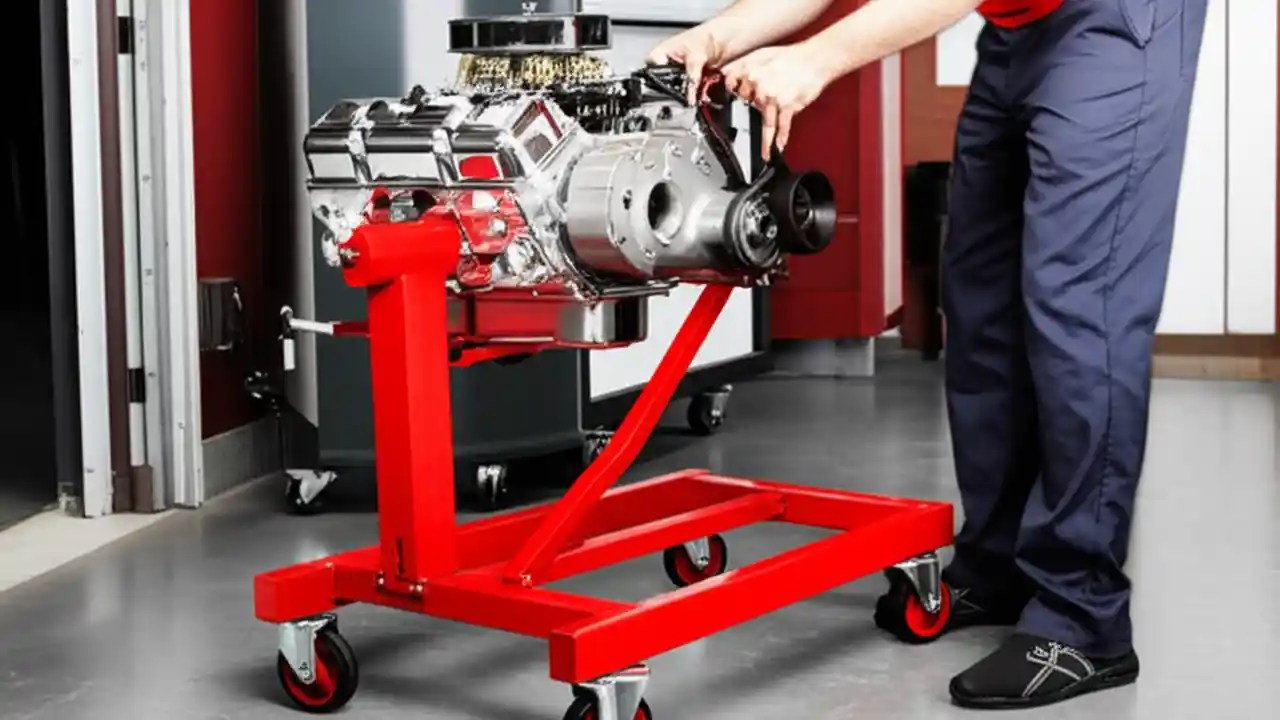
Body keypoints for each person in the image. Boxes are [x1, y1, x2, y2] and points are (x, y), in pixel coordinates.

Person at [650, 0, 1207, 710]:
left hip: (1116, 21)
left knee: (1078, 306)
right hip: (1018, 26)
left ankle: (1083, 615)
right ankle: (999, 563)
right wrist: (716, 36)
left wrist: (812, 60)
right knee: (981, 300)